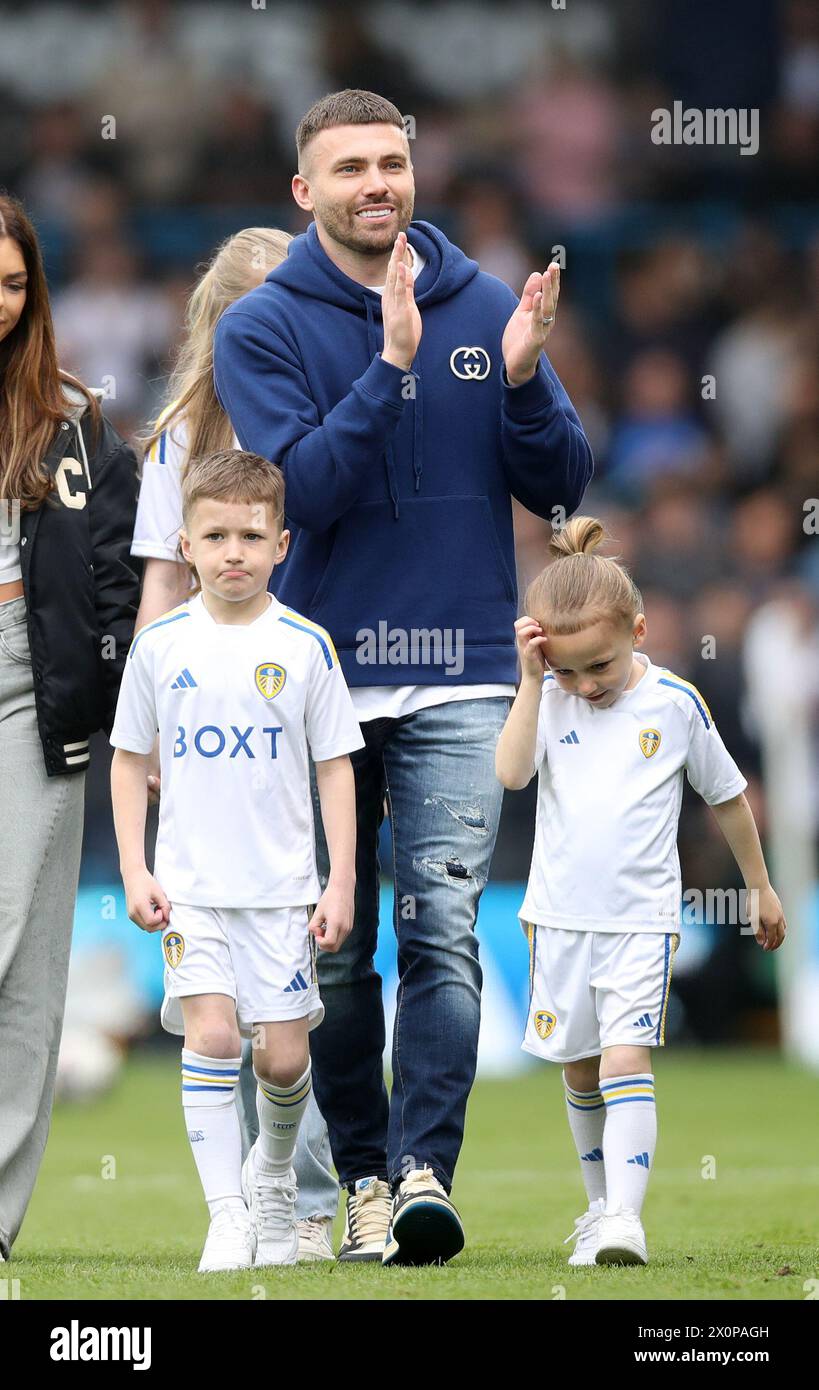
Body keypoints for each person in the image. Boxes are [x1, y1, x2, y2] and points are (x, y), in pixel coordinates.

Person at [213, 88, 594, 1265]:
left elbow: (563, 483)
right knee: (330, 950)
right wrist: (387, 366)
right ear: (304, 192)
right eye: (349, 169)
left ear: (412, 173)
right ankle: (361, 1179)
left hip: (467, 672)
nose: (376, 184)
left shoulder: (485, 302)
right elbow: (303, 497)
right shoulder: (263, 328)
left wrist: (524, 382)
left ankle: (423, 1173)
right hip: (318, 682)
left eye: (391, 163)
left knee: (440, 935)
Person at [495, 515, 787, 1266]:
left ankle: (625, 1218)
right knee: (580, 1068)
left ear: (638, 631)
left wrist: (758, 885)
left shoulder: (674, 705)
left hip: (639, 922)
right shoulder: (547, 697)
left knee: (626, 1060)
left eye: (598, 665)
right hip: (555, 920)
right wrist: (534, 683)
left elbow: (726, 796)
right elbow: (511, 774)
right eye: (567, 670)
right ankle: (596, 1213)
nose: (585, 685)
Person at [132, 227, 340, 1262]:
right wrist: (152, 710)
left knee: (302, 989)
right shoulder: (183, 432)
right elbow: (161, 578)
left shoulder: (324, 394)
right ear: (218, 315)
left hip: (316, 690)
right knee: (224, 1014)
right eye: (251, 301)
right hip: (214, 715)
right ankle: (268, 1205)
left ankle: (323, 1189)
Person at [109, 448, 364, 1272]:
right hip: (192, 892)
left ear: (281, 545)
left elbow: (334, 767)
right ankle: (226, 1215)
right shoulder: (161, 647)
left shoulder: (304, 646)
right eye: (214, 535)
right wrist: (135, 871)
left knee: (283, 1058)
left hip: (282, 894)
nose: (232, 553)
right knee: (213, 1040)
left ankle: (275, 1179)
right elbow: (124, 759)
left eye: (250, 537)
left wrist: (341, 879)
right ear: (183, 543)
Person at [0, 193, 141, 1260]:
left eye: (14, 284)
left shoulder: (74, 421)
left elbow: (118, 574)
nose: (0, 305)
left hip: (26, 688)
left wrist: (104, 689)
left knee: (25, 969)